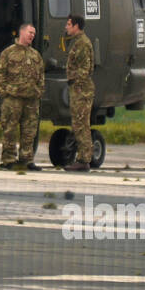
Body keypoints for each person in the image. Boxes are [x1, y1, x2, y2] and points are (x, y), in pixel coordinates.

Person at [0, 22, 45, 171]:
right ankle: (8, 159)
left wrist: (39, 91)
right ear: (21, 32)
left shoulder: (35, 55)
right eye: (30, 33)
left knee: (29, 131)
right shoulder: (8, 53)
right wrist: (4, 92)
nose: (32, 36)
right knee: (9, 129)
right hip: (13, 99)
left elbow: (41, 75)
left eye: (34, 34)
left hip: (31, 100)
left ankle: (27, 159)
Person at [64, 14, 95, 173]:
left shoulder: (82, 44)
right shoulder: (78, 42)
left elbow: (85, 69)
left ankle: (83, 159)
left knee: (81, 124)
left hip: (81, 89)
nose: (66, 27)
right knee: (79, 123)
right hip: (78, 88)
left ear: (76, 26)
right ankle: (82, 158)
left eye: (69, 24)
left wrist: (74, 82)